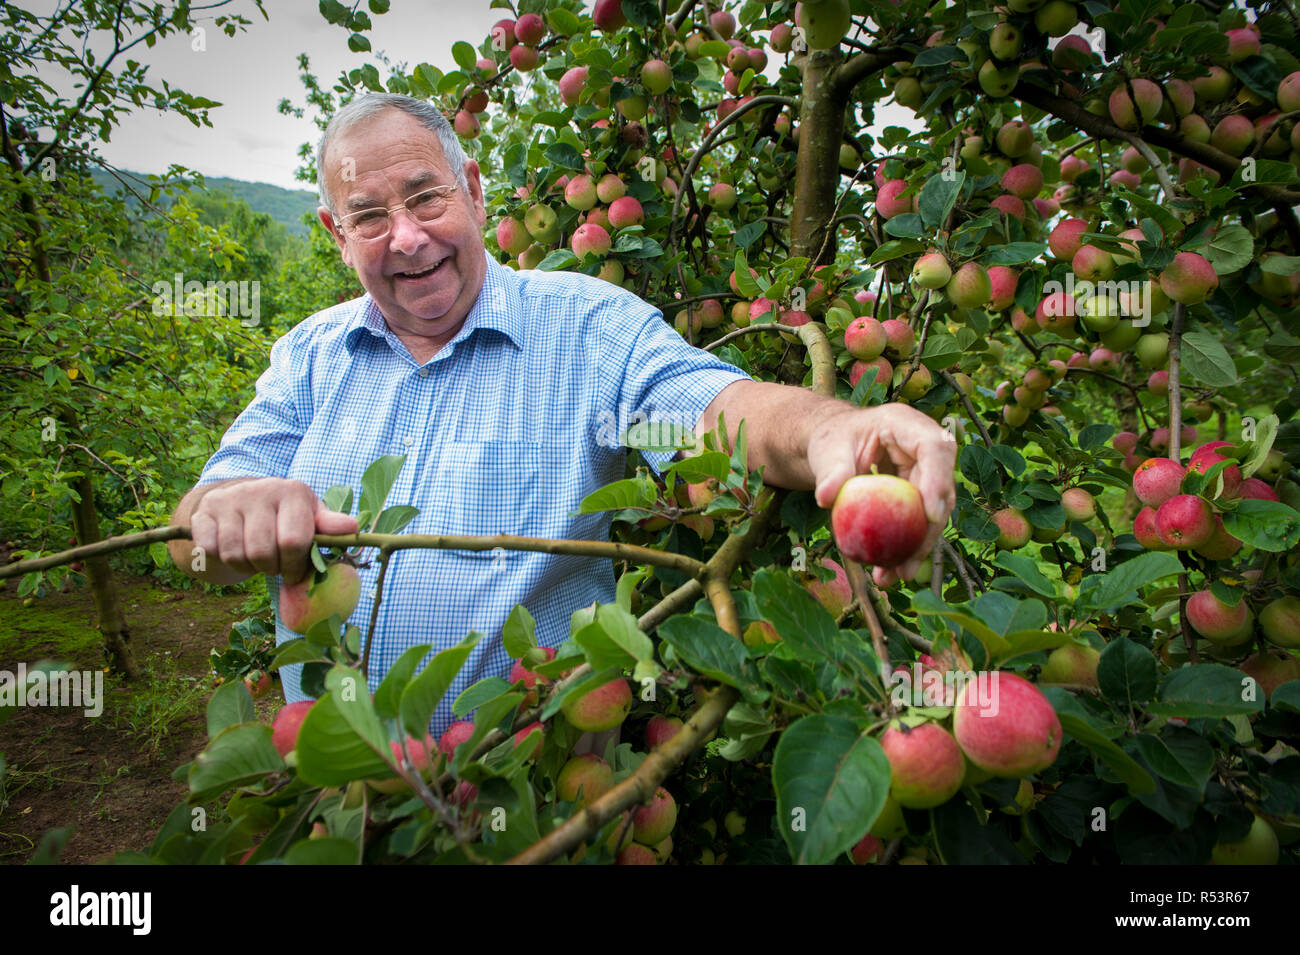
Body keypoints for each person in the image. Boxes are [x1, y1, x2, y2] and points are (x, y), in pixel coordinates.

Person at [167, 93, 957, 734]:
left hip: (539, 801)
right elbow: (192, 536)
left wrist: (831, 431)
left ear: (473, 189)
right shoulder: (309, 356)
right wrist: (226, 514)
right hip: (338, 811)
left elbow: (714, 408)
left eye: (426, 197)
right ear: (337, 234)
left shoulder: (588, 328)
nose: (406, 237)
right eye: (369, 216)